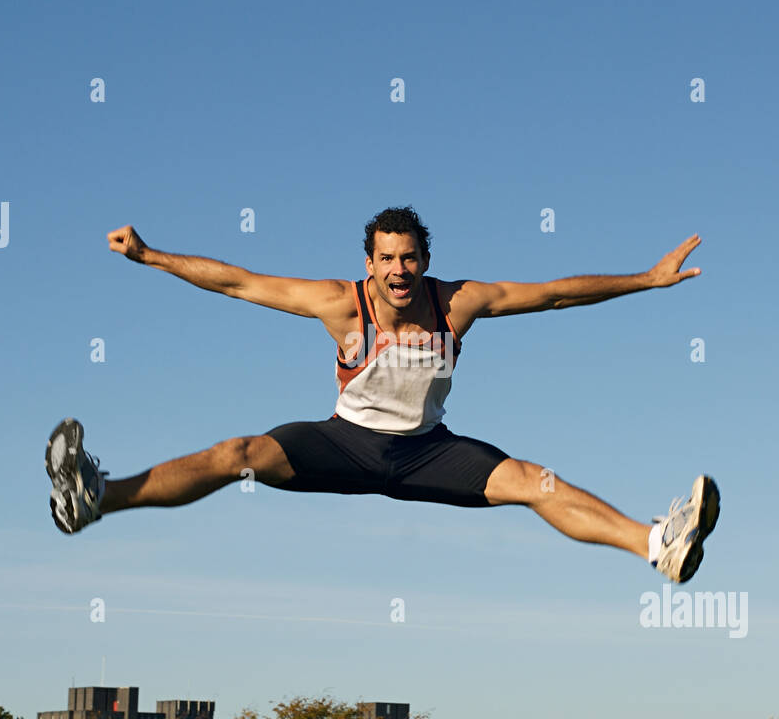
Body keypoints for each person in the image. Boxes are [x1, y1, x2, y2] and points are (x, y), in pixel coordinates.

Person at [45, 205, 719, 582]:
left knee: (534, 482)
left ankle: (657, 543)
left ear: (424, 261)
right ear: (369, 264)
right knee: (238, 452)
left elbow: (555, 295)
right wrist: (152, 256)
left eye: (410, 258)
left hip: (428, 452)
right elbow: (237, 282)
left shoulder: (457, 303)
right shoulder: (341, 304)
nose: (399, 271)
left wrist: (646, 279)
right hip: (343, 443)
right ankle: (96, 499)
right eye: (386, 259)